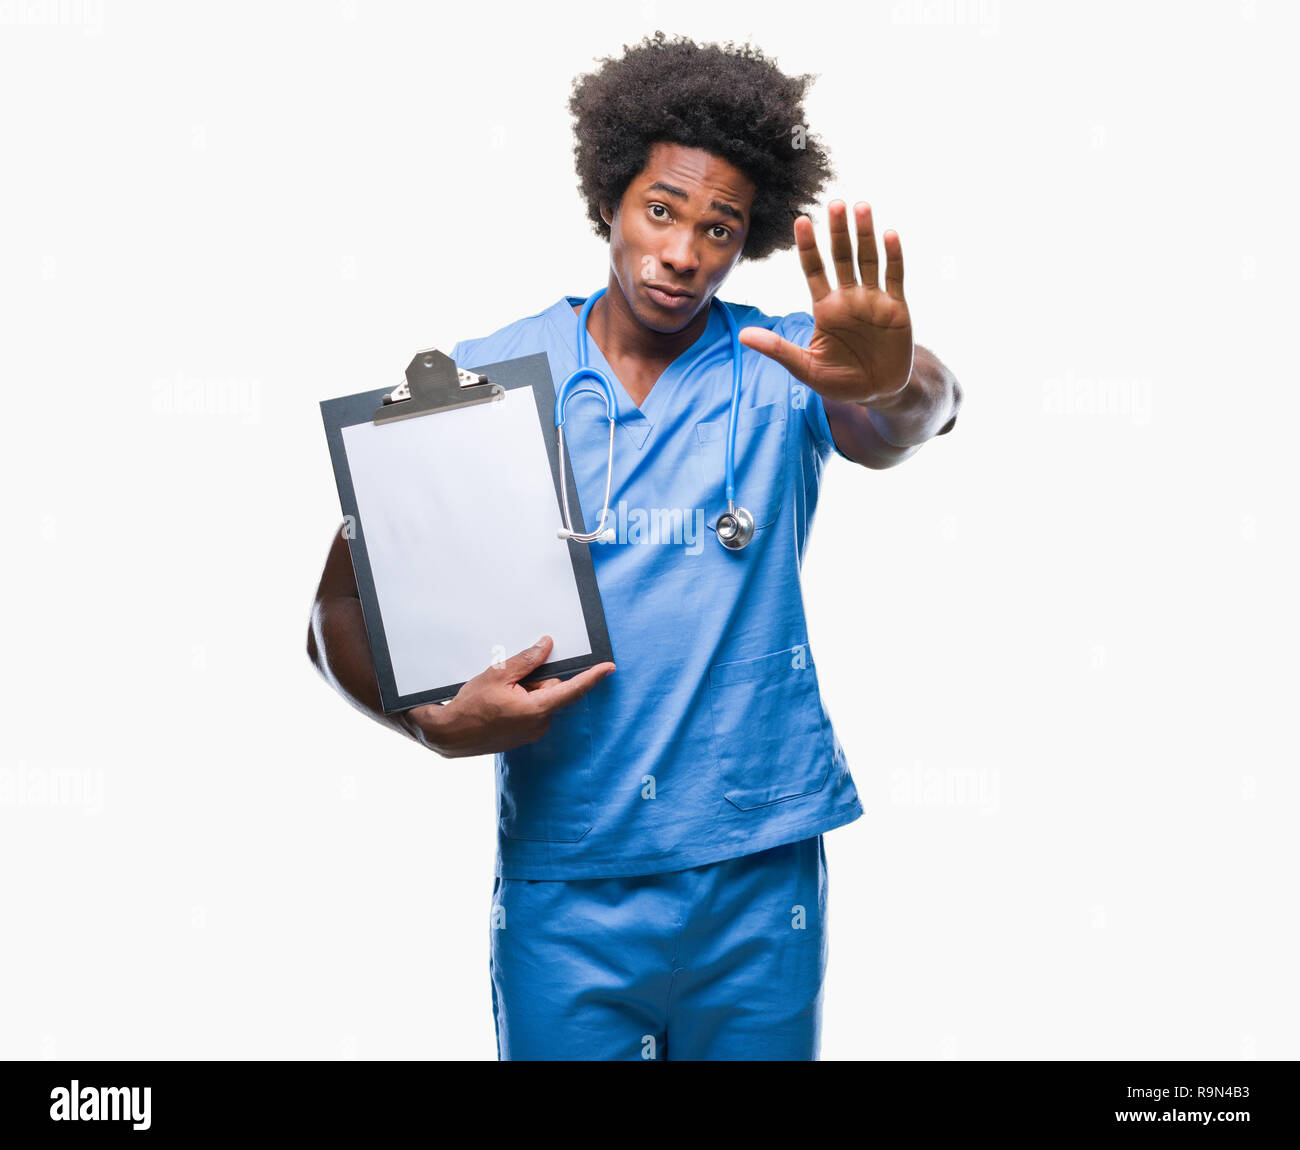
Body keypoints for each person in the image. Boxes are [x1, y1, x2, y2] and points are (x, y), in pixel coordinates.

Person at [307, 31, 961, 1061]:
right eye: (661, 209)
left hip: (757, 865)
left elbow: (908, 421)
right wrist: (430, 722)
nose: (683, 251)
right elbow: (335, 609)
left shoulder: (785, 364)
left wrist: (892, 381)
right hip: (568, 879)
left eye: (719, 226)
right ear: (610, 197)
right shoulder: (484, 378)